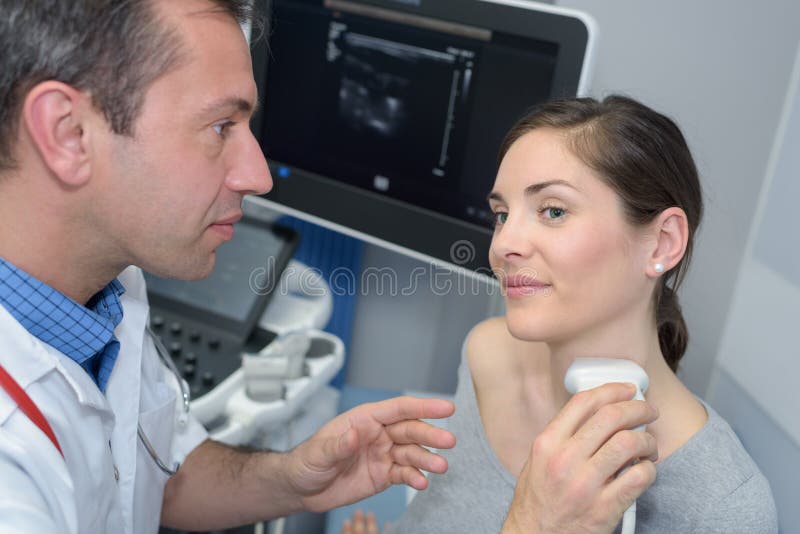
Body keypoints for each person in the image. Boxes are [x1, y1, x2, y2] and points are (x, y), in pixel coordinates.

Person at [0, 1, 458, 532]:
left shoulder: (107, 287)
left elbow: (155, 471)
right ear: (68, 133)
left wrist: (292, 480)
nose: (259, 176)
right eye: (221, 127)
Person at [344, 95, 778, 533]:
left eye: (553, 211)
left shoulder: (724, 507)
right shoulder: (488, 353)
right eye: (502, 214)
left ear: (663, 243)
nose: (503, 245)